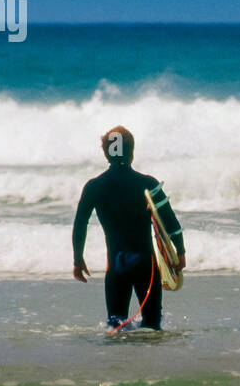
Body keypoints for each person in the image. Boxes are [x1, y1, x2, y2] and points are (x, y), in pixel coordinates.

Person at [72, 126, 185, 330]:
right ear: (132, 151)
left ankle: (120, 361)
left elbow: (80, 223)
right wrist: (180, 252)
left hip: (117, 265)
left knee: (116, 326)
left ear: (106, 153)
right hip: (146, 265)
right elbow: (171, 223)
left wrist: (78, 259)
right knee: (152, 327)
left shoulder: (94, 186)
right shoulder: (148, 184)